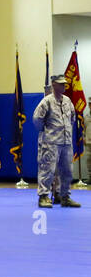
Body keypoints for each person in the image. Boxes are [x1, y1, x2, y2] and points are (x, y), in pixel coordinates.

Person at [34, 75, 80, 209]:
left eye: (64, 83)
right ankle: (43, 196)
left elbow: (72, 117)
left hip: (66, 142)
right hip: (51, 142)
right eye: (61, 84)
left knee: (67, 171)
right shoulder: (46, 102)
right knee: (47, 169)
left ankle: (64, 196)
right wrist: (47, 132)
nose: (64, 86)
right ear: (53, 85)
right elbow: (37, 119)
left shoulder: (67, 101)